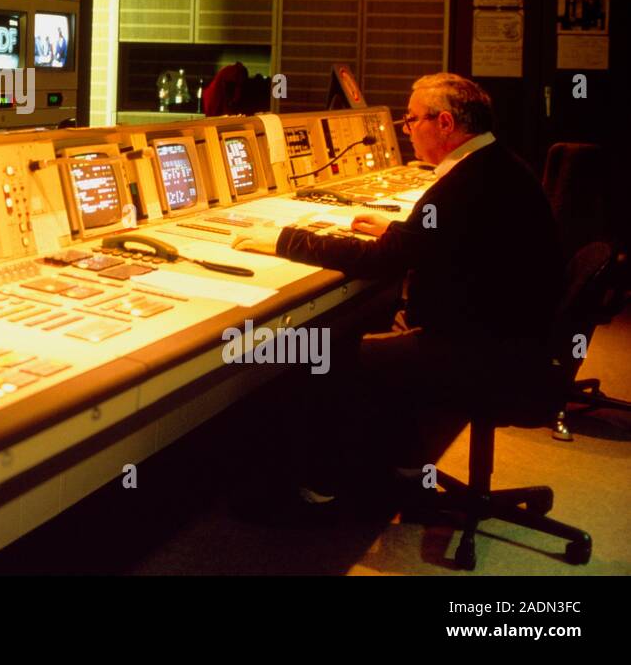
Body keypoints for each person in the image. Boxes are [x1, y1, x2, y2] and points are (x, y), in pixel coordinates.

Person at [233, 72, 563, 508]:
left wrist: (284, 240)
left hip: (481, 350)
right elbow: (439, 238)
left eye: (412, 120)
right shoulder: (494, 166)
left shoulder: (462, 186)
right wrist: (401, 229)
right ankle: (403, 468)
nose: (407, 130)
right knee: (378, 326)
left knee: (328, 349)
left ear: (445, 124)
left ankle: (317, 492)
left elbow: (380, 260)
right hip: (510, 337)